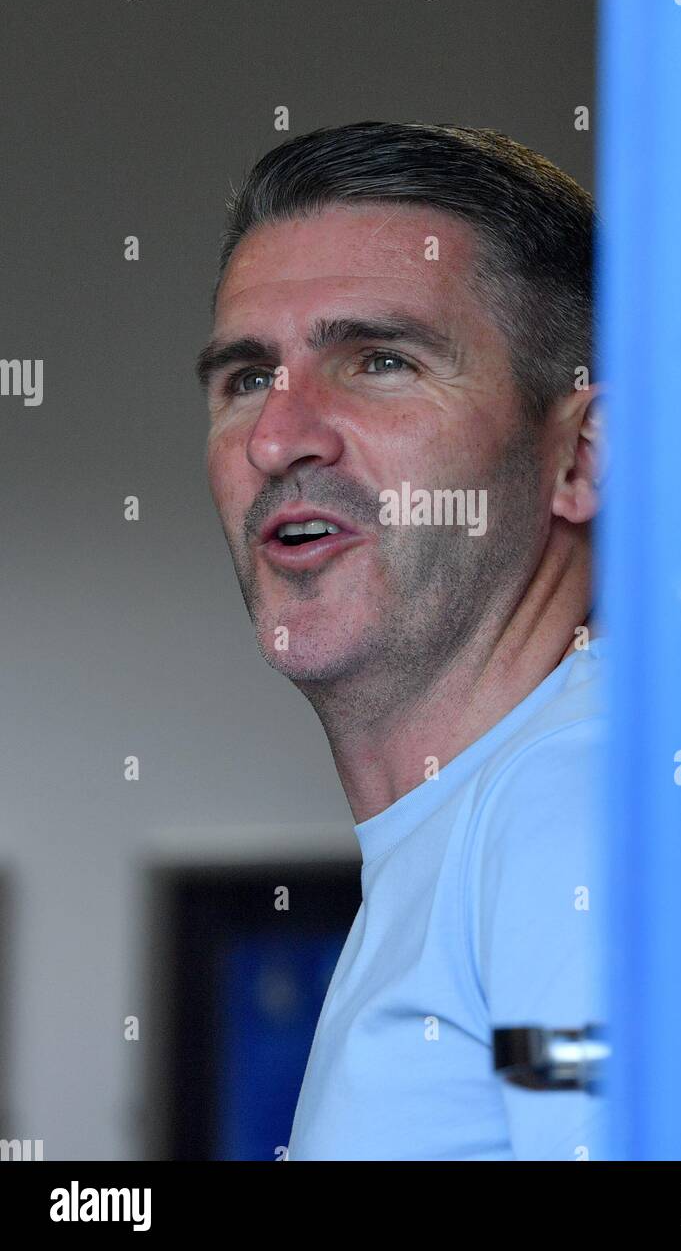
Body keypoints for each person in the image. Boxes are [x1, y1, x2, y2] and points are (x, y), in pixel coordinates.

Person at [196, 121, 609, 1160]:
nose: (278, 437)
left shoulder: (576, 796)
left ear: (580, 456)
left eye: (378, 361)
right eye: (246, 376)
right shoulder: (474, 826)